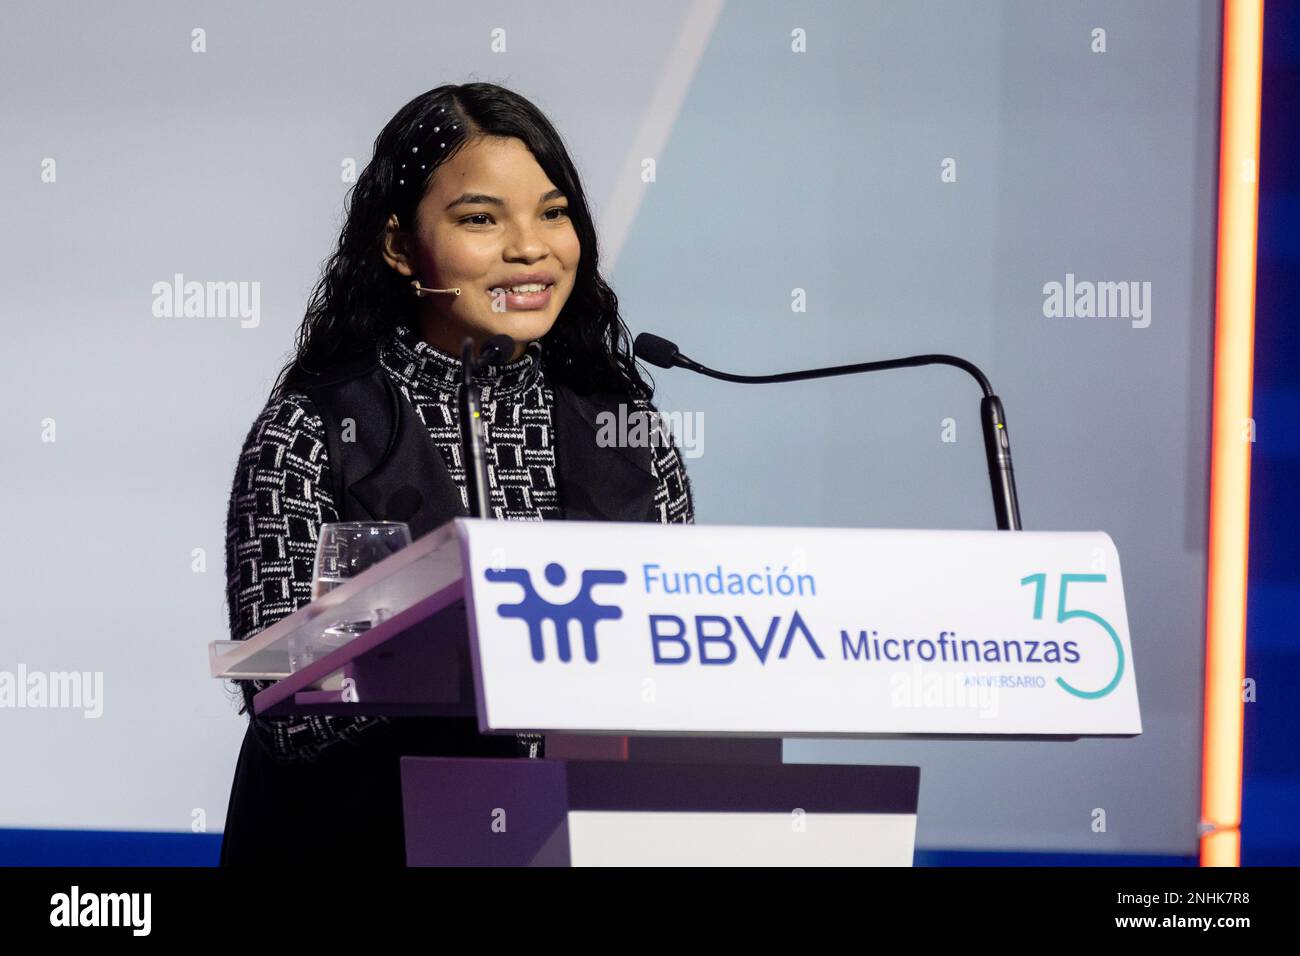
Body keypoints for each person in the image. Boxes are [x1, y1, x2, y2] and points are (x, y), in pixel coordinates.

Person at [219, 82, 694, 866]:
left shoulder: (624, 428)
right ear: (400, 246)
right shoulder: (311, 428)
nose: (530, 247)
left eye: (553, 212)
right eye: (481, 218)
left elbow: (676, 674)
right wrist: (472, 641)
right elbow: (285, 709)